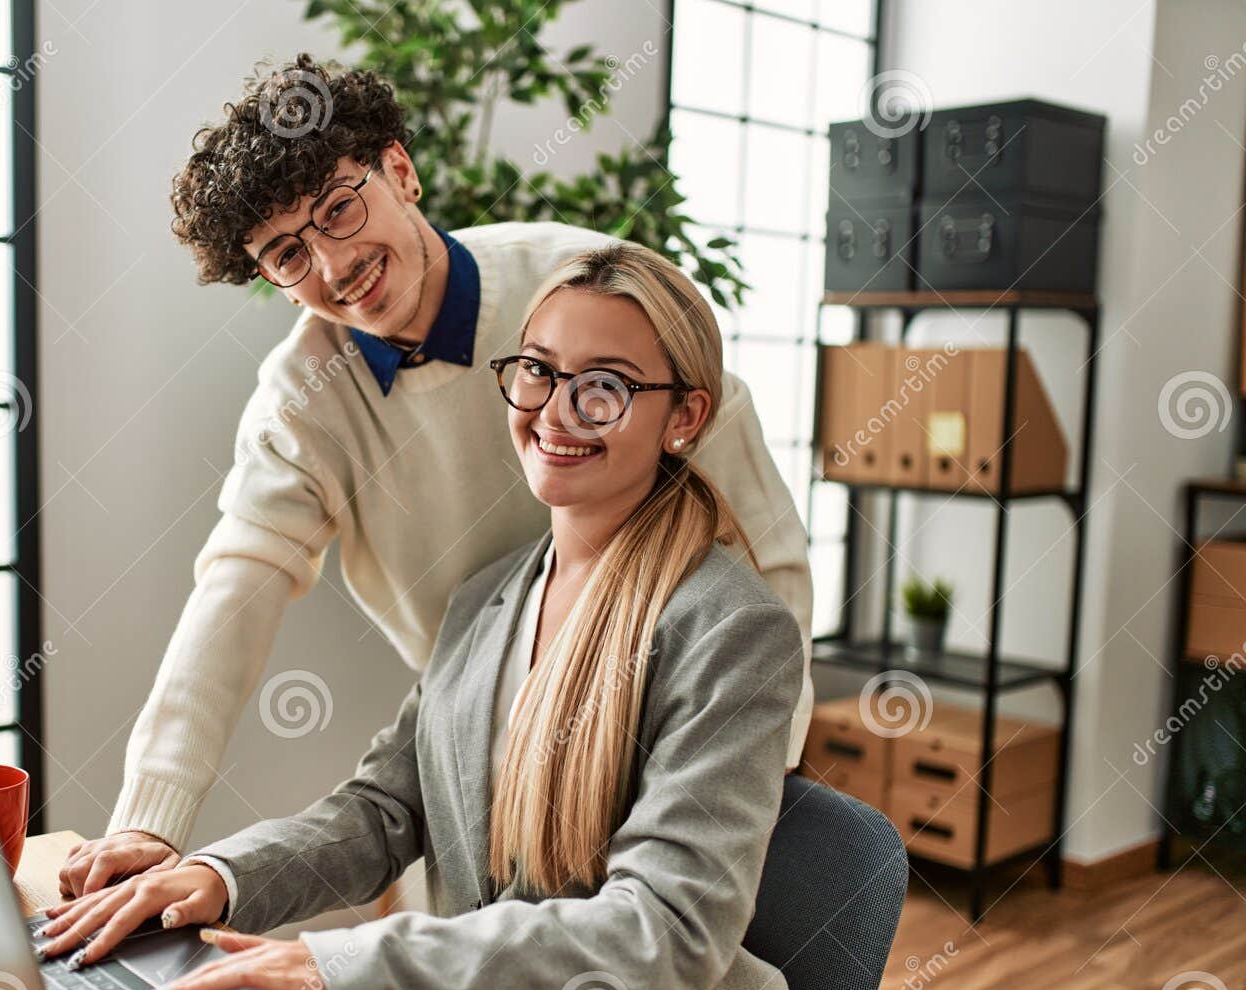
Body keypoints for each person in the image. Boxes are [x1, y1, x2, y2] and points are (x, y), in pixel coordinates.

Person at [57, 53, 813, 898]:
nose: (334, 267)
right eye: (286, 256)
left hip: (663, 733)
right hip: (474, 752)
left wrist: (767, 776)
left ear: (401, 172)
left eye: (340, 209)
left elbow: (766, 547)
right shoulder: (302, 403)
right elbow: (236, 587)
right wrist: (147, 820)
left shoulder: (581, 293)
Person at [37, 242, 807, 990]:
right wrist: (221, 877)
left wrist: (348, 962)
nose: (555, 412)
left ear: (685, 417)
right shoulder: (488, 600)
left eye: (606, 387)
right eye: (539, 371)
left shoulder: (732, 629)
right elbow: (382, 810)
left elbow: (665, 931)